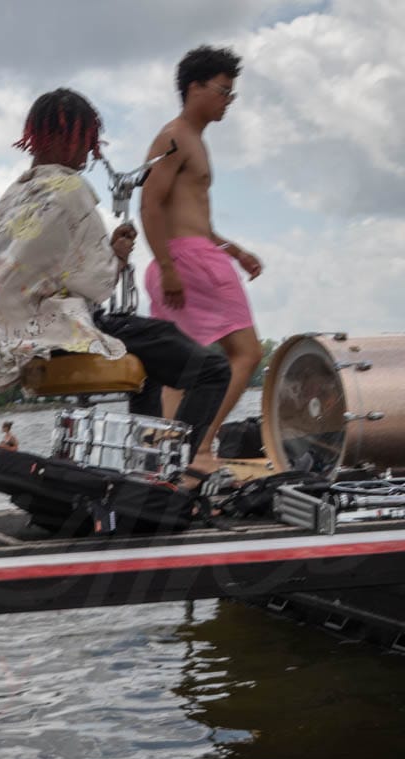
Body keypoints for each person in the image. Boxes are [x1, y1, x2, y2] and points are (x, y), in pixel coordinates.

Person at [0, 89, 229, 478]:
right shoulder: (70, 190)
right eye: (85, 140)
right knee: (212, 368)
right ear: (59, 136)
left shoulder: (12, 197)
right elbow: (97, 281)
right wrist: (119, 254)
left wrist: (105, 256)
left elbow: (36, 265)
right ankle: (173, 473)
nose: (89, 155)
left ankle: (146, 469)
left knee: (150, 367)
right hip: (59, 331)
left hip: (5, 338)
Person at [140, 45, 263, 461]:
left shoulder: (191, 140)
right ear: (195, 87)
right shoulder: (175, 136)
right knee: (247, 353)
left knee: (181, 370)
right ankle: (202, 442)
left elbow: (195, 221)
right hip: (185, 261)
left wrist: (236, 250)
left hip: (181, 257)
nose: (228, 100)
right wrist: (170, 266)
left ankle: (169, 452)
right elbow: (149, 203)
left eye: (232, 93)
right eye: (223, 90)